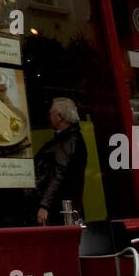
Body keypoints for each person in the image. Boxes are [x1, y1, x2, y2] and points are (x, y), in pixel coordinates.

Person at [31, 97, 87, 226]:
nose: (49, 116)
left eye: (50, 113)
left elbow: (58, 174)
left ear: (59, 116)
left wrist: (45, 205)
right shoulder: (67, 138)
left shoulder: (69, 141)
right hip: (61, 206)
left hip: (60, 208)